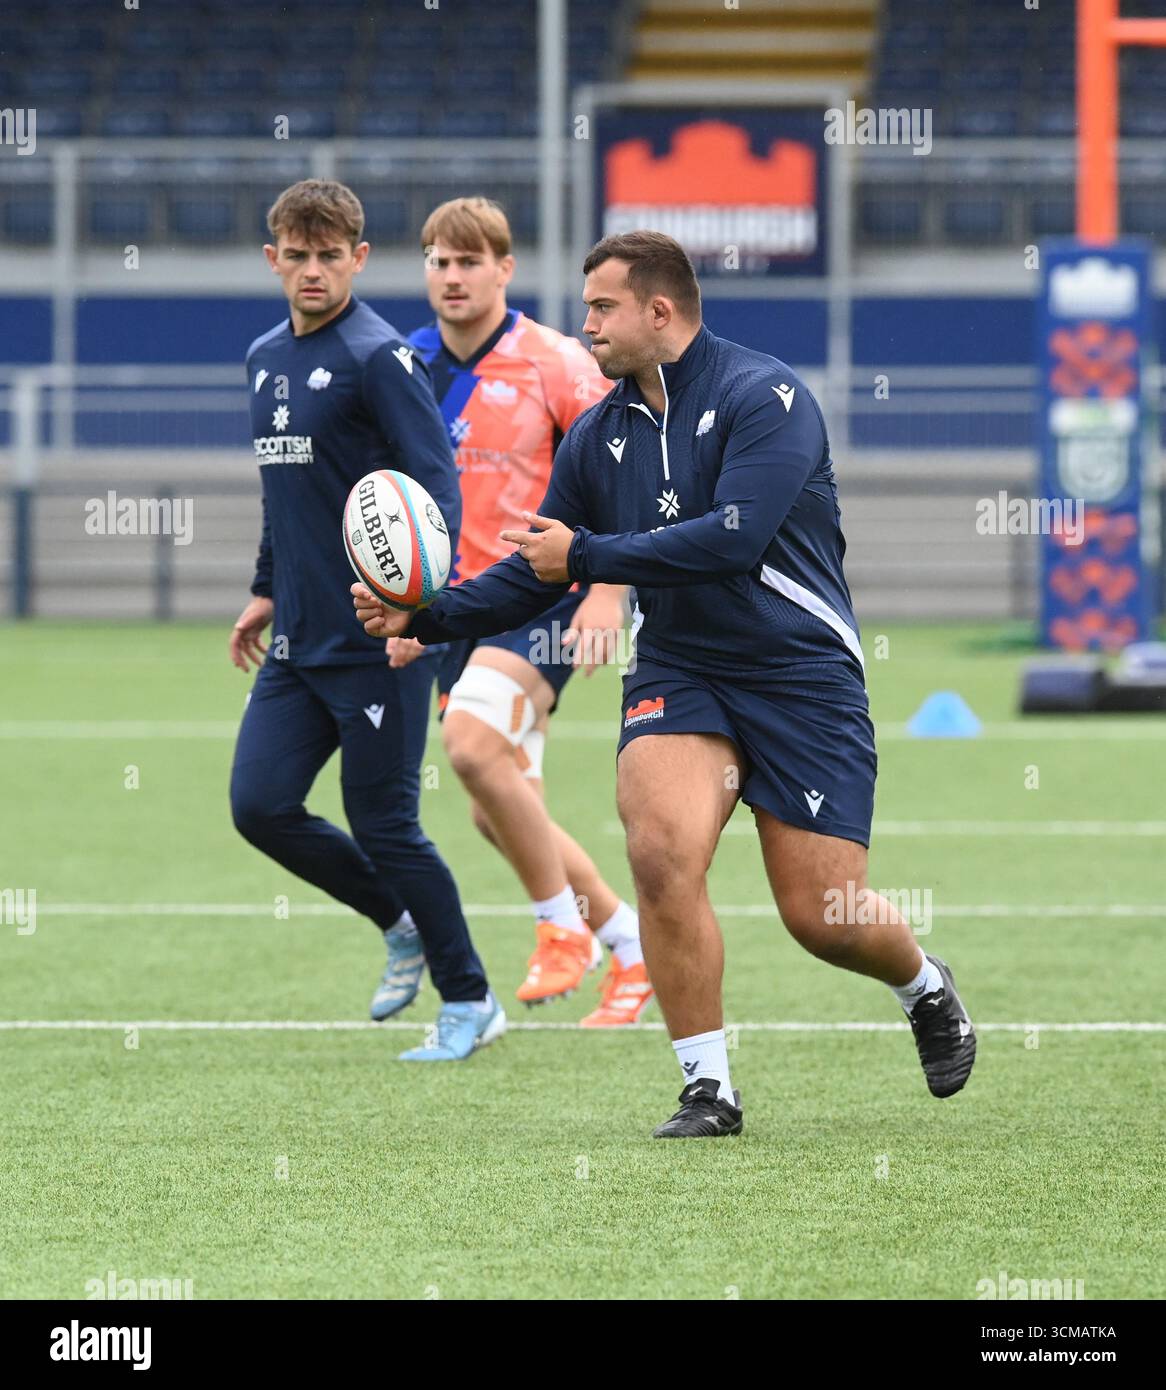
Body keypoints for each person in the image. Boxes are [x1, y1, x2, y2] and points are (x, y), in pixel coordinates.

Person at [352, 229, 976, 1134]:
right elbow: (538, 569)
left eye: (603, 306)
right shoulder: (599, 431)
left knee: (820, 916)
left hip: (800, 675)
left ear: (660, 310)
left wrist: (590, 557)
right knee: (660, 852)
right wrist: (428, 613)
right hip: (681, 670)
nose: (587, 324)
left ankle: (923, 985)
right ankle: (707, 1086)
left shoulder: (767, 395)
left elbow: (734, 538)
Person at [229, 178, 503, 1062]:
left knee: (386, 824)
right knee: (260, 806)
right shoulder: (264, 356)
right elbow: (285, 495)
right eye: (297, 256)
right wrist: (265, 588)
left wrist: (416, 609)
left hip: (382, 645)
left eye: (330, 255)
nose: (313, 270)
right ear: (275, 260)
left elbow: (437, 485)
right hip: (299, 642)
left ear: (359, 259)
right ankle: (398, 922)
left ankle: (470, 999)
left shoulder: (382, 358)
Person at [370, 196, 652, 1027]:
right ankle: (631, 949)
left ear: (505, 269)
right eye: (438, 261)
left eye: (469, 261)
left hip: (547, 595)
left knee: (469, 746)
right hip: (456, 609)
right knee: (495, 807)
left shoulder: (555, 361)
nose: (452, 277)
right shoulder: (405, 365)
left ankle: (560, 929)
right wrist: (407, 615)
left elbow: (623, 457)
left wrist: (607, 586)